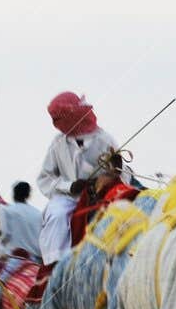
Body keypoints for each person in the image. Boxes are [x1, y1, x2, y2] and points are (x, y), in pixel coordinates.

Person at [36, 92, 131, 262]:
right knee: (57, 214)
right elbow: (45, 178)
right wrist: (70, 186)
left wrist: (110, 175)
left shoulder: (104, 139)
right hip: (68, 197)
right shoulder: (58, 144)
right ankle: (56, 264)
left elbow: (122, 171)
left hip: (100, 194)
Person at [0, 181, 42, 263]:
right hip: (36, 263)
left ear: (13, 194)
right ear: (28, 195)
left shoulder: (6, 211)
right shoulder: (38, 214)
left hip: (12, 261)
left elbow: (3, 236)